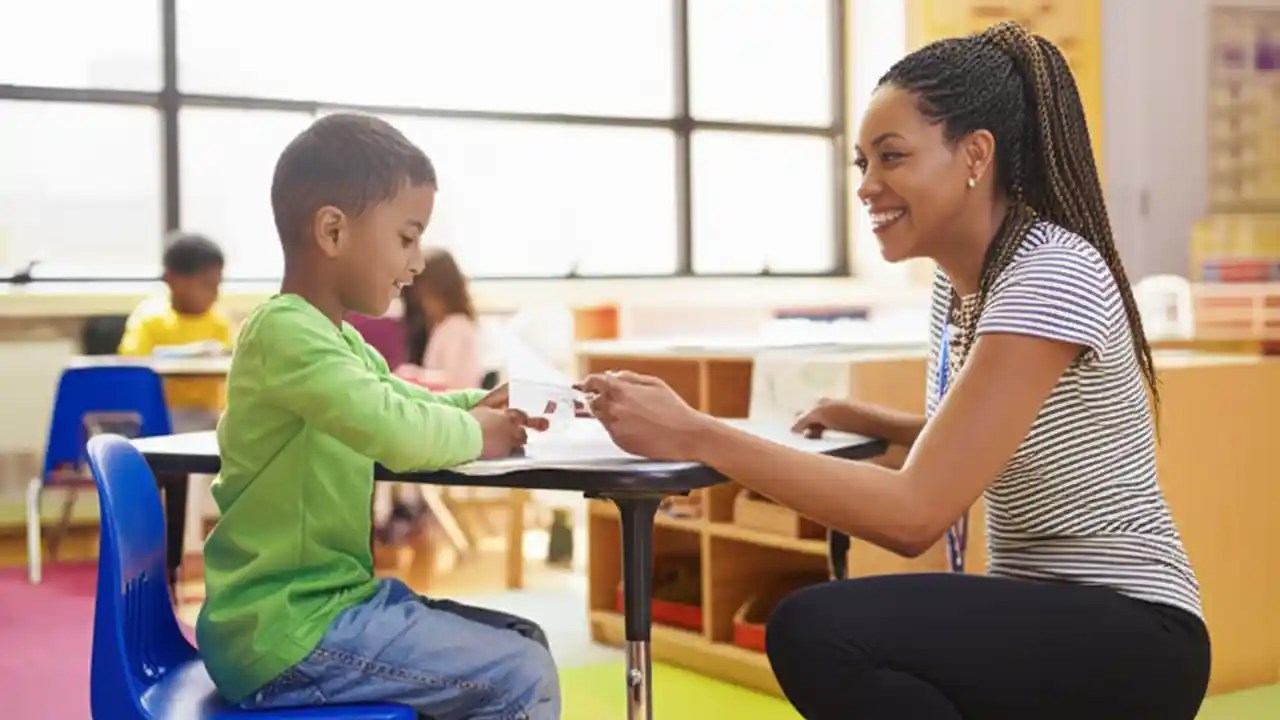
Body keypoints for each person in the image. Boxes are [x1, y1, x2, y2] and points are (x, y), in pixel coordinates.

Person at [579, 21, 1209, 720]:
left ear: (975, 155)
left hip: (1132, 627)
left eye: (892, 157)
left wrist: (697, 434)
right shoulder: (960, 283)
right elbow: (991, 439)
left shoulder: (1048, 271)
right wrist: (881, 424)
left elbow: (917, 515)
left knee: (820, 630)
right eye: (861, 165)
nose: (868, 187)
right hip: (1048, 613)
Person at [197, 112, 560, 719]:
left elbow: (402, 402)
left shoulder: (338, 341)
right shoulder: (284, 331)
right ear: (334, 232)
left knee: (526, 644)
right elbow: (391, 429)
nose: (417, 263)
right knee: (521, 672)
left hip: (323, 611)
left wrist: (479, 405)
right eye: (406, 237)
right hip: (287, 630)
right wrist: (478, 432)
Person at [118, 231, 231, 429]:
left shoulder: (219, 322)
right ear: (172, 279)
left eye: (217, 285)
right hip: (161, 416)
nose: (215, 294)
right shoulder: (150, 318)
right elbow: (132, 364)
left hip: (210, 417)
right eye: (206, 285)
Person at [395, 246, 485, 391]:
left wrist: (414, 376)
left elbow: (457, 381)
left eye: (427, 296)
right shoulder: (443, 327)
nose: (424, 304)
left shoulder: (457, 327)